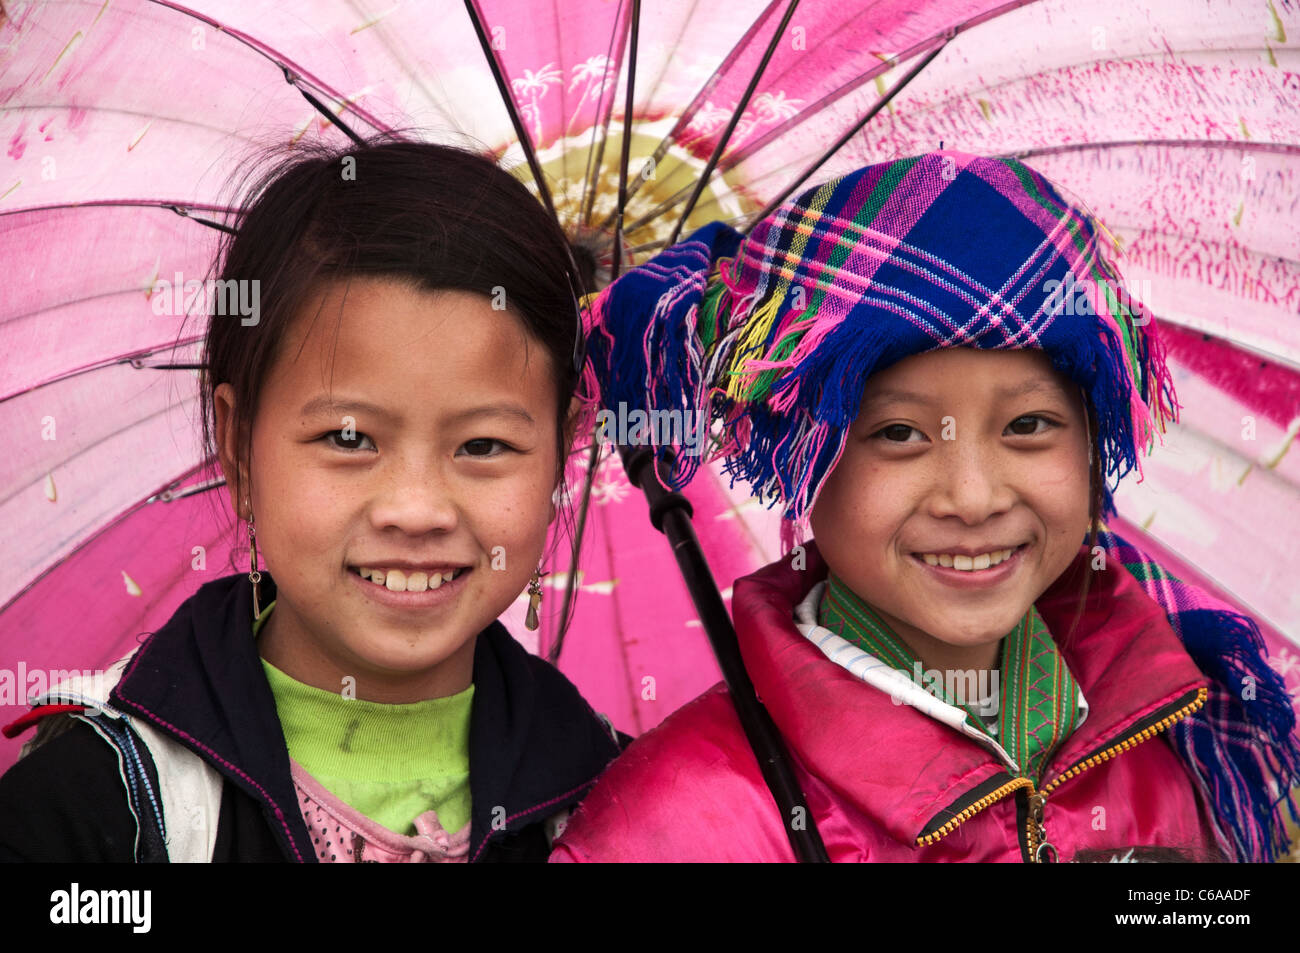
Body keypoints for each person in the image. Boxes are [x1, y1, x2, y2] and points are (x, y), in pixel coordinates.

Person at [552, 151, 1300, 862]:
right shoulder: (677, 823)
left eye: (1028, 426)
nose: (973, 498)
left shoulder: (1195, 732)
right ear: (804, 454)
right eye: (900, 433)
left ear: (1094, 434)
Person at [0, 136, 624, 863]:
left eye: (483, 446)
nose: (417, 509)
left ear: (564, 447)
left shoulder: (630, 808)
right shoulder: (93, 810)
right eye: (350, 438)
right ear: (238, 443)